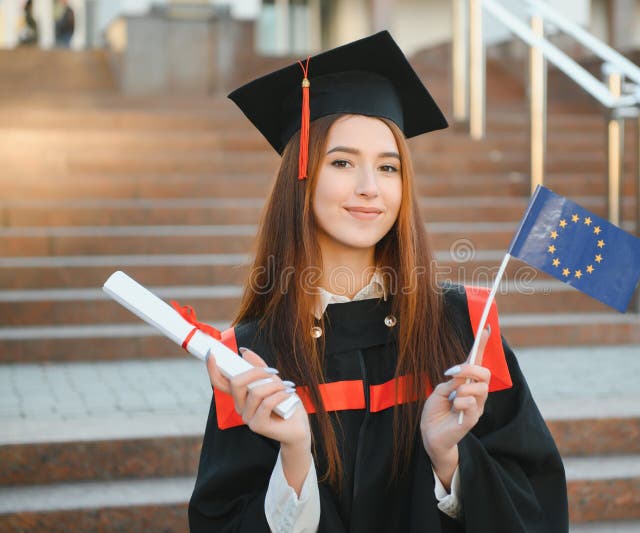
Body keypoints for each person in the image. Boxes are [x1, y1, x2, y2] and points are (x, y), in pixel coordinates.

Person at [188, 31, 568, 532]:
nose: (370, 188)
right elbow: (220, 520)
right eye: (343, 162)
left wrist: (450, 461)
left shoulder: (465, 331)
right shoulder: (254, 358)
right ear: (300, 175)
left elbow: (536, 504)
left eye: (388, 167)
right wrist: (295, 458)